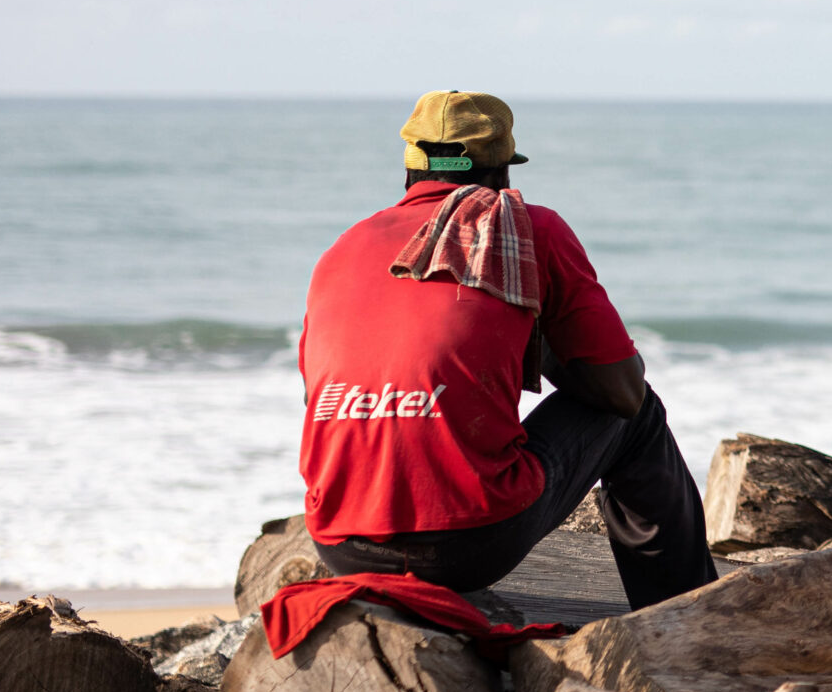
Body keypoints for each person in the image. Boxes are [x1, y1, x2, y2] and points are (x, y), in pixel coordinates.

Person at [295, 91, 715, 608]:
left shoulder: (343, 247)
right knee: (637, 414)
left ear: (410, 173)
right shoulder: (527, 228)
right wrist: (536, 338)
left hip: (340, 541)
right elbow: (622, 390)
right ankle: (684, 615)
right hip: (464, 547)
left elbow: (325, 389)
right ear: (502, 176)